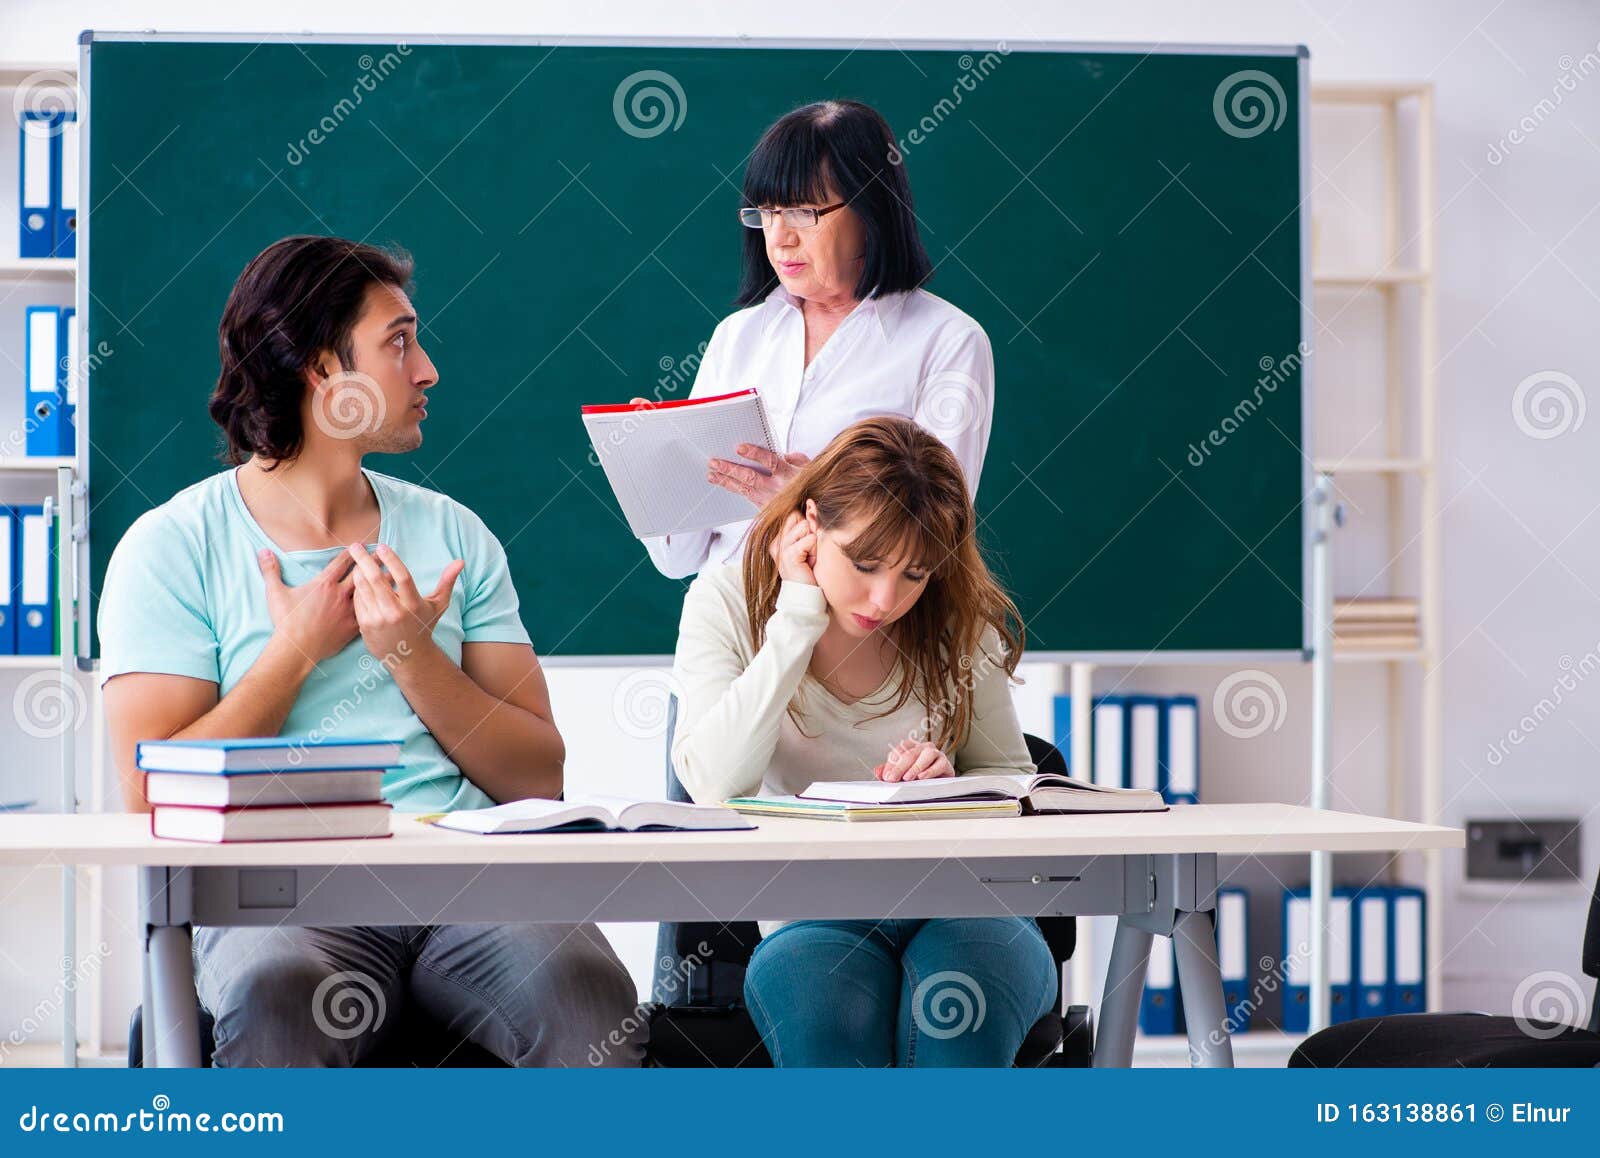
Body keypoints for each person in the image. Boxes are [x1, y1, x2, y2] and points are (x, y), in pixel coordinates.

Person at [98, 235, 643, 1067]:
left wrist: (413, 658)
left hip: (466, 885)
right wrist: (296, 651)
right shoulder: (169, 546)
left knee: (582, 991)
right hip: (276, 893)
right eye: (399, 342)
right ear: (323, 370)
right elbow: (150, 792)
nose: (427, 370)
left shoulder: (455, 533)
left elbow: (538, 777)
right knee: (277, 997)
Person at [668, 415, 1056, 1066]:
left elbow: (1019, 798)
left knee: (957, 1028)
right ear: (807, 524)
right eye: (866, 563)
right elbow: (712, 785)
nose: (884, 598)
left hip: (965, 905)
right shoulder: (726, 605)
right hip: (811, 914)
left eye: (915, 573)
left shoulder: (958, 621)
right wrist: (796, 615)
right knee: (829, 1029)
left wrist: (956, 792)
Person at [641, 99, 998, 579]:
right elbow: (676, 560)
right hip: (725, 626)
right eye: (766, 213)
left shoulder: (947, 341)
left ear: (871, 209)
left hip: (853, 638)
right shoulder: (737, 337)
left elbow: (937, 540)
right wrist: (655, 471)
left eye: (803, 212)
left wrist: (806, 498)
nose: (780, 237)